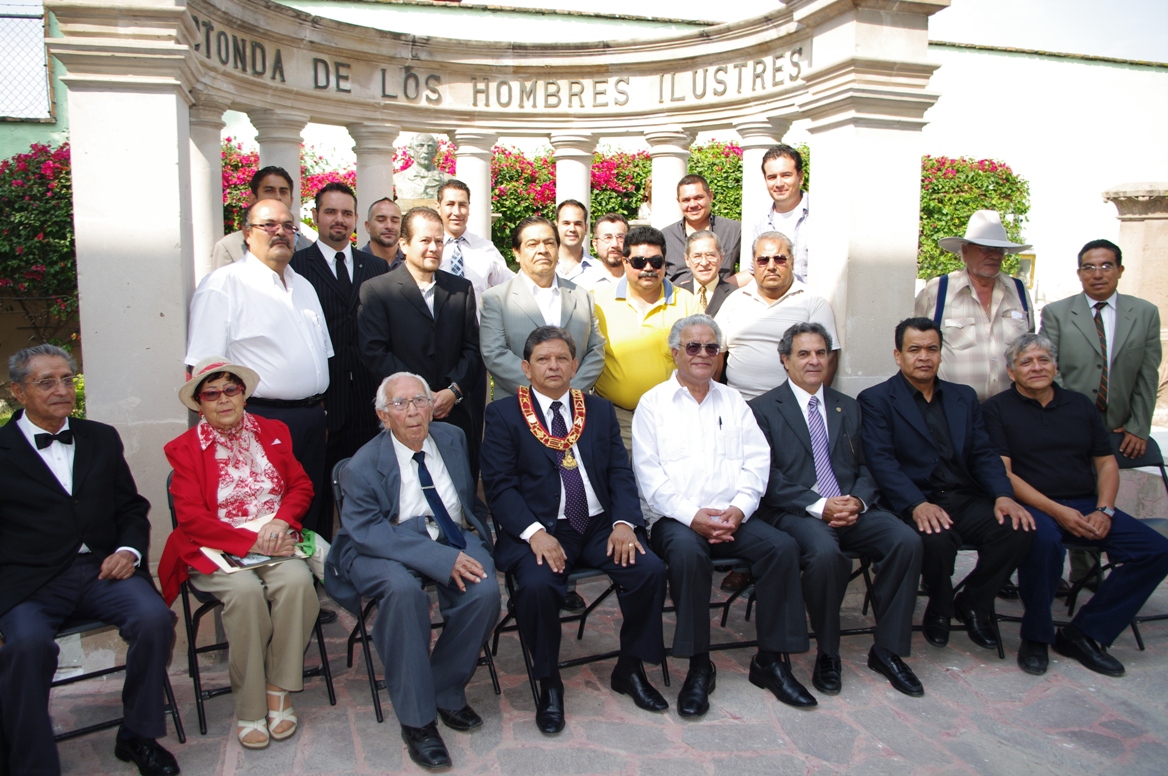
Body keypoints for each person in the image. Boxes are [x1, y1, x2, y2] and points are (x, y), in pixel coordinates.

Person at [0, 345, 179, 776]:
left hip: (101, 570)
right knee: (26, 646)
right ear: (18, 392)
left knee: (155, 620)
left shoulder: (100, 436)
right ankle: (32, 764)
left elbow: (130, 507)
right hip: (29, 581)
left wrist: (128, 551)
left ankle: (137, 735)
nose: (61, 390)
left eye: (67, 379)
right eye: (46, 382)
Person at [481, 327, 669, 735]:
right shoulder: (503, 414)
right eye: (543, 359)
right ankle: (549, 682)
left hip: (601, 524)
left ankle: (630, 668)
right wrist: (534, 532)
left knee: (649, 571)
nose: (553, 366)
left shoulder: (597, 410)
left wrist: (624, 523)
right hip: (544, 528)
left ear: (575, 365)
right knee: (536, 586)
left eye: (562, 358)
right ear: (526, 368)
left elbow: (619, 471)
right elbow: (499, 487)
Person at [634, 315, 817, 713]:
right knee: (687, 554)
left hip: (733, 515)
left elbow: (757, 461)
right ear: (675, 352)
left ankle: (771, 661)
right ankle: (699, 666)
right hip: (676, 519)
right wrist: (693, 517)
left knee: (782, 548)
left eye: (711, 347)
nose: (702, 354)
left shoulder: (733, 401)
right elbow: (650, 478)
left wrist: (739, 509)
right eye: (693, 346)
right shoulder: (652, 404)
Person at [324, 373, 500, 770]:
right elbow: (368, 532)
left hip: (449, 532)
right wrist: (439, 560)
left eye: (420, 400)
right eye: (399, 404)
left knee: (485, 590)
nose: (413, 411)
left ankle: (443, 688)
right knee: (403, 593)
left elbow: (465, 500)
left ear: (432, 406)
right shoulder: (363, 465)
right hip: (382, 543)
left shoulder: (452, 438)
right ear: (383, 416)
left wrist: (468, 541)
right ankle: (418, 722)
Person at [751, 323, 924, 696]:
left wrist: (857, 501)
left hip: (851, 507)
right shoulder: (761, 410)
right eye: (803, 353)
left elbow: (870, 465)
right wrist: (820, 506)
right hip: (797, 512)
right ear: (785, 360)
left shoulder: (849, 406)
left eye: (821, 353)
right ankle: (828, 651)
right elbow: (766, 477)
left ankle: (888, 650)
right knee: (827, 555)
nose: (814, 361)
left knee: (906, 541)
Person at [982, 333, 1168, 677]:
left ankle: (1084, 633)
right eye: (1026, 362)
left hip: (1086, 502)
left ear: (1055, 366)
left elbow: (1106, 463)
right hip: (1034, 505)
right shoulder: (996, 409)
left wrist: (1105, 510)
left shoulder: (1080, 405)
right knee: (1042, 541)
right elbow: (1004, 473)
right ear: (1011, 371)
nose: (1036, 367)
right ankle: (1036, 636)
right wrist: (1057, 511)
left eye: (1043, 360)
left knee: (1156, 550)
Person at [159, 357, 320, 749]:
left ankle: (278, 688)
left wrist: (280, 522)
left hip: (274, 538)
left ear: (244, 394)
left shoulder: (273, 431)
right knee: (246, 594)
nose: (223, 399)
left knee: (298, 582)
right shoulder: (183, 449)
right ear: (199, 404)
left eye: (230, 389)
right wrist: (251, 542)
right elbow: (191, 519)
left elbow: (301, 486)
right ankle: (249, 706)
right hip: (213, 547)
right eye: (211, 394)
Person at [858, 318, 1034, 652]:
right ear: (898, 355)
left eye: (932, 349)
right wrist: (916, 504)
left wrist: (1003, 495)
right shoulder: (877, 399)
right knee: (935, 538)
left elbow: (983, 453)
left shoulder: (963, 397)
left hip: (964, 497)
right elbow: (881, 462)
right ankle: (939, 606)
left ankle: (973, 601)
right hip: (917, 498)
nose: (924, 357)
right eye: (914, 349)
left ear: (941, 354)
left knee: (1018, 528)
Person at [187, 198, 334, 542]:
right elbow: (204, 371)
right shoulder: (223, 285)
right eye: (269, 225)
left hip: (312, 418)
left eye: (288, 226)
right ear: (246, 233)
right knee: (269, 515)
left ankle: (311, 572)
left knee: (312, 511)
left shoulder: (305, 287)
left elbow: (322, 355)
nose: (280, 232)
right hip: (260, 420)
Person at [1040, 238, 1163, 588]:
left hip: (1119, 425)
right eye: (1089, 267)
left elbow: (1148, 373)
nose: (1098, 274)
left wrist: (1139, 426)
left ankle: (1093, 570)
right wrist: (1065, 417)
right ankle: (1079, 571)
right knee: (1075, 489)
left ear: (1120, 270)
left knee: (1101, 490)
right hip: (1068, 423)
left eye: (1106, 265)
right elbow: (1050, 370)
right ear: (1079, 273)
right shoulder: (1057, 313)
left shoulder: (1144, 313)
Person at [290, 182, 390, 541]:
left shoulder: (376, 266)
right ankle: (319, 560)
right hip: (322, 401)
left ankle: (368, 554)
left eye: (346, 213)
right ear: (315, 216)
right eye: (330, 212)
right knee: (315, 492)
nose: (339, 219)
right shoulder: (296, 266)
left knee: (370, 489)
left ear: (356, 219)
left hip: (368, 397)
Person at [357, 206, 484, 479]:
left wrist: (453, 391)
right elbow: (374, 352)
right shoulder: (377, 290)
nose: (434, 248)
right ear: (404, 244)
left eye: (439, 241)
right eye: (425, 240)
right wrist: (419, 397)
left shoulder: (460, 289)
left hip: (453, 411)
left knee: (458, 486)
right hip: (403, 413)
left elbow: (473, 349)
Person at [593, 225, 701, 449]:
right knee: (622, 470)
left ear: (665, 263)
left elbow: (703, 359)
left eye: (656, 261)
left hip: (672, 417)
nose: (648, 268)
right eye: (639, 262)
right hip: (617, 417)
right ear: (625, 262)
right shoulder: (597, 301)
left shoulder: (687, 303)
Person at [914, 210, 1035, 403]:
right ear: (965, 251)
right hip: (953, 409)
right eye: (985, 249)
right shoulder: (938, 291)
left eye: (999, 250)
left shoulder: (1018, 291)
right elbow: (915, 347)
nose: (994, 256)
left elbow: (1030, 345)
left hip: (1011, 409)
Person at [481, 216, 605, 399]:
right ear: (516, 253)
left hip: (574, 404)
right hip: (518, 404)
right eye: (532, 244)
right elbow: (495, 354)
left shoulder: (582, 297)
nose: (542, 250)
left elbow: (596, 350)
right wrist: (544, 393)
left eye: (549, 243)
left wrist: (569, 393)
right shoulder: (496, 299)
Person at [716, 230, 840, 401]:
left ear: (792, 262)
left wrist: (810, 403)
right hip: (738, 403)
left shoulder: (813, 301)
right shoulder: (735, 300)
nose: (771, 266)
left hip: (791, 407)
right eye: (763, 260)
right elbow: (716, 352)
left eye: (780, 259)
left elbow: (829, 356)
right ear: (754, 264)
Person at [210, 166, 313, 268]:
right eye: (269, 190)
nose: (278, 197)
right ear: (253, 199)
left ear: (291, 200)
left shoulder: (308, 247)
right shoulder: (230, 248)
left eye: (283, 192)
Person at [437, 179, 514, 311]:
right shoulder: (429, 249)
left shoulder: (486, 249)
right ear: (438, 208)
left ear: (468, 208)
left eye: (462, 205)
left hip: (476, 323)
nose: (457, 212)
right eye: (450, 204)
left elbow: (511, 286)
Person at [662, 174, 742, 284]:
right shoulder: (665, 237)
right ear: (679, 202)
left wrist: (720, 287)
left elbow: (753, 270)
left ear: (710, 196)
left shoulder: (733, 231)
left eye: (698, 198)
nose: (693, 204)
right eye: (686, 200)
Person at [749, 145, 810, 281]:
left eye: (786, 175)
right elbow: (753, 272)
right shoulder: (761, 222)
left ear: (800, 177)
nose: (779, 183)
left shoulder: (820, 215)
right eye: (772, 177)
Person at [677, 230, 735, 318]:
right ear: (687, 260)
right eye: (697, 256)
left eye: (710, 255)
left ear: (721, 258)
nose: (704, 263)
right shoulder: (676, 295)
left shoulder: (735, 295)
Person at [554, 199, 605, 287]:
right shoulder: (542, 266)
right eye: (566, 223)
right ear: (556, 227)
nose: (572, 229)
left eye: (578, 224)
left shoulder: (600, 272)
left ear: (586, 229)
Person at [395, 133, 453, 200]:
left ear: (435, 152)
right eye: (420, 146)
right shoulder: (398, 178)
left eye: (430, 147)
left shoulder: (448, 179)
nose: (426, 151)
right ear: (411, 151)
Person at [584, 212, 630, 290]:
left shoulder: (639, 279)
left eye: (620, 237)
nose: (615, 244)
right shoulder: (584, 283)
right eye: (608, 238)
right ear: (595, 245)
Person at [362, 197, 405, 269]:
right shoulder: (356, 262)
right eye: (381, 220)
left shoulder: (410, 263)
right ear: (368, 226)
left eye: (395, 221)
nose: (389, 226)